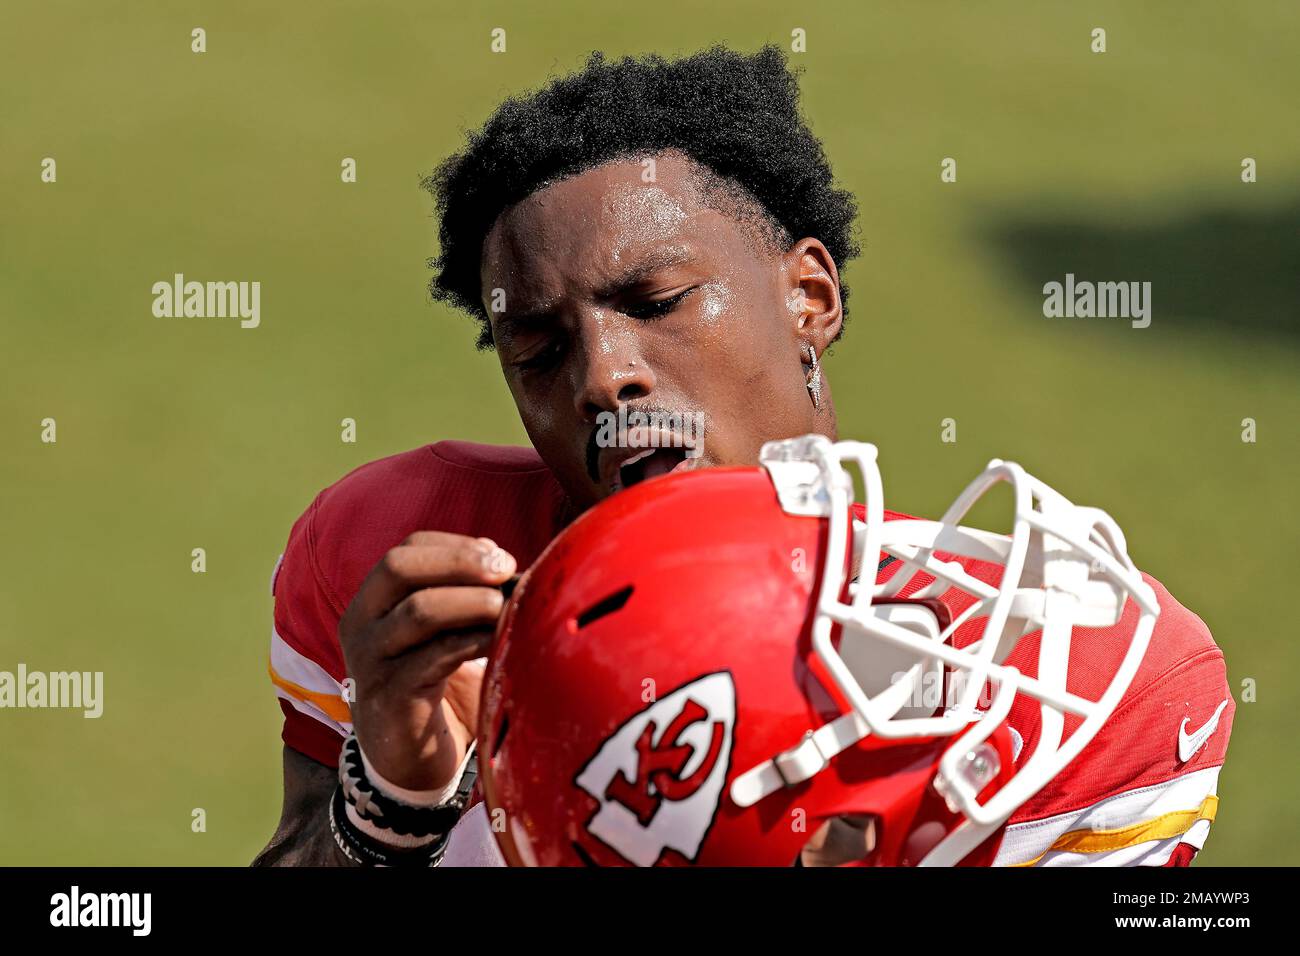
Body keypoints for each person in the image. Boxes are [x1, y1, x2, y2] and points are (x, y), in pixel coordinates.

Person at [253, 46, 1230, 867]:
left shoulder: (1073, 673)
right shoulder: (408, 560)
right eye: (541, 351)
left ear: (810, 295)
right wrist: (393, 800)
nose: (604, 376)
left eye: (655, 303)